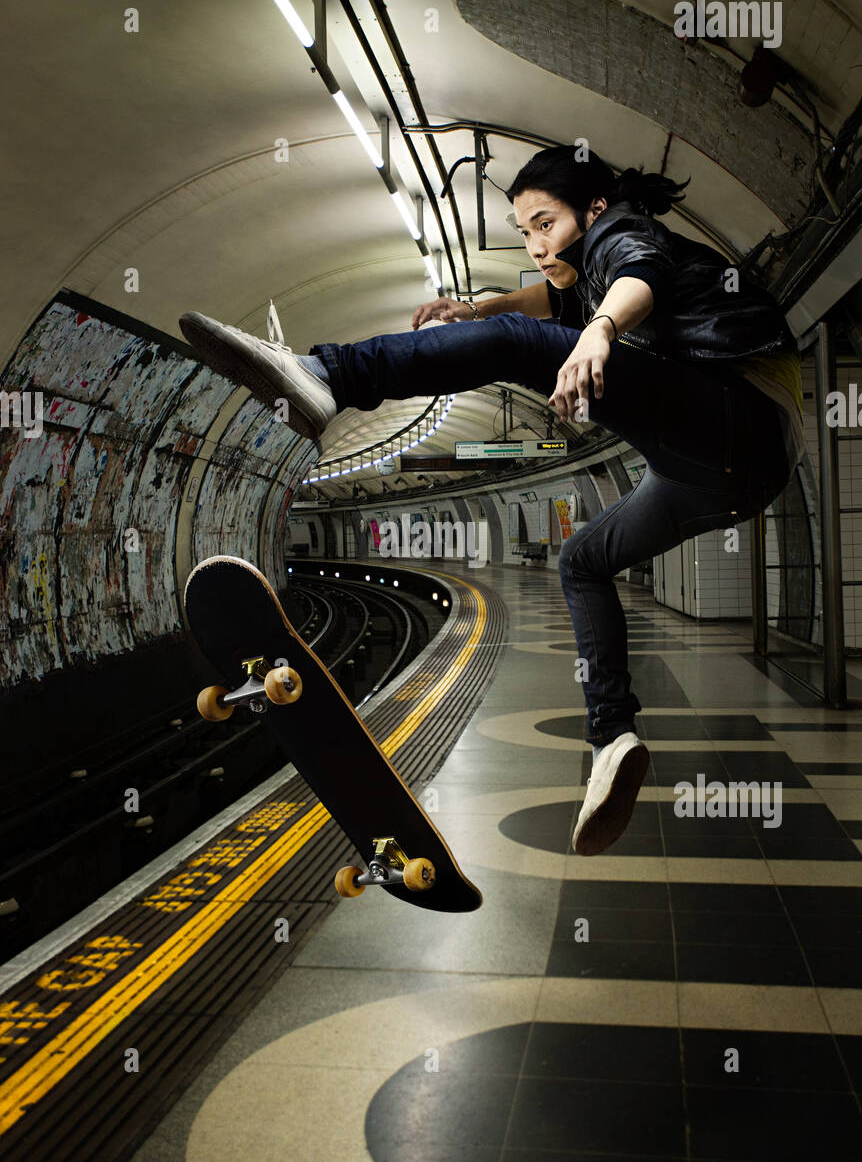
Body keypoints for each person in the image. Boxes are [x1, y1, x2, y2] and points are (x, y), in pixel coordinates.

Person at [179, 145, 804, 858]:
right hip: (739, 472)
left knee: (515, 345)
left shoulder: (620, 233)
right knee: (582, 559)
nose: (537, 247)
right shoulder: (580, 263)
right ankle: (612, 738)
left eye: (546, 224)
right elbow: (553, 297)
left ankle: (329, 374)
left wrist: (600, 330)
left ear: (593, 209)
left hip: (740, 408)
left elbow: (638, 271)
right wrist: (479, 306)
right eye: (525, 233)